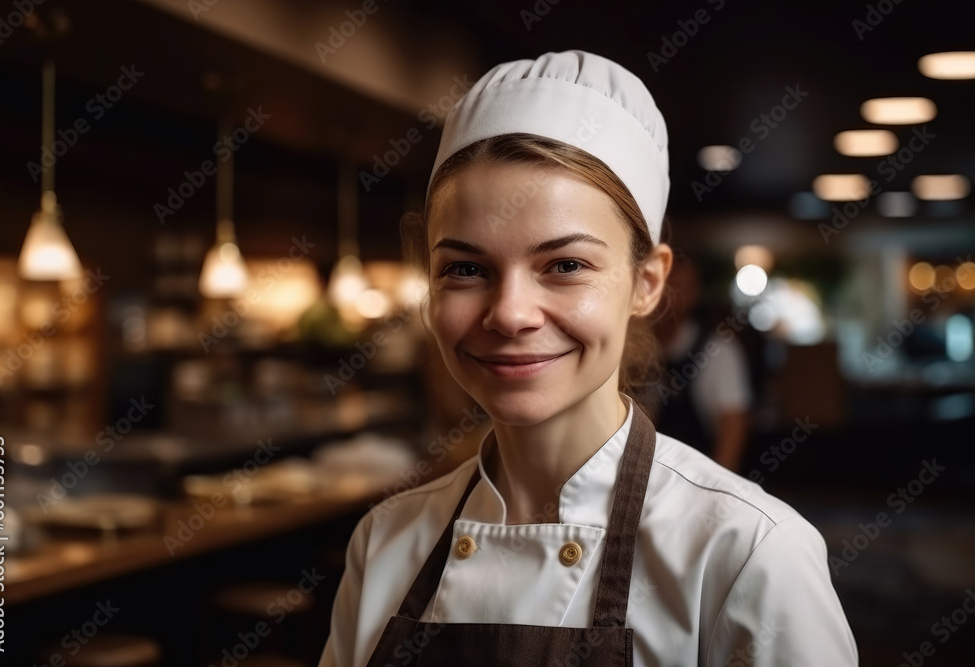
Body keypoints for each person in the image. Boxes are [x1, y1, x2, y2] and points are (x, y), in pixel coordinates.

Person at [318, 50, 857, 666]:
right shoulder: (385, 540)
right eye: (466, 269)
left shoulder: (747, 553)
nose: (511, 313)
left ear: (647, 282)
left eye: (566, 265)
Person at [651, 256, 753, 471]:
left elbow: (733, 426)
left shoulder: (718, 351)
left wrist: (716, 490)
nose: (673, 293)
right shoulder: (631, 350)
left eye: (683, 286)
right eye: (668, 283)